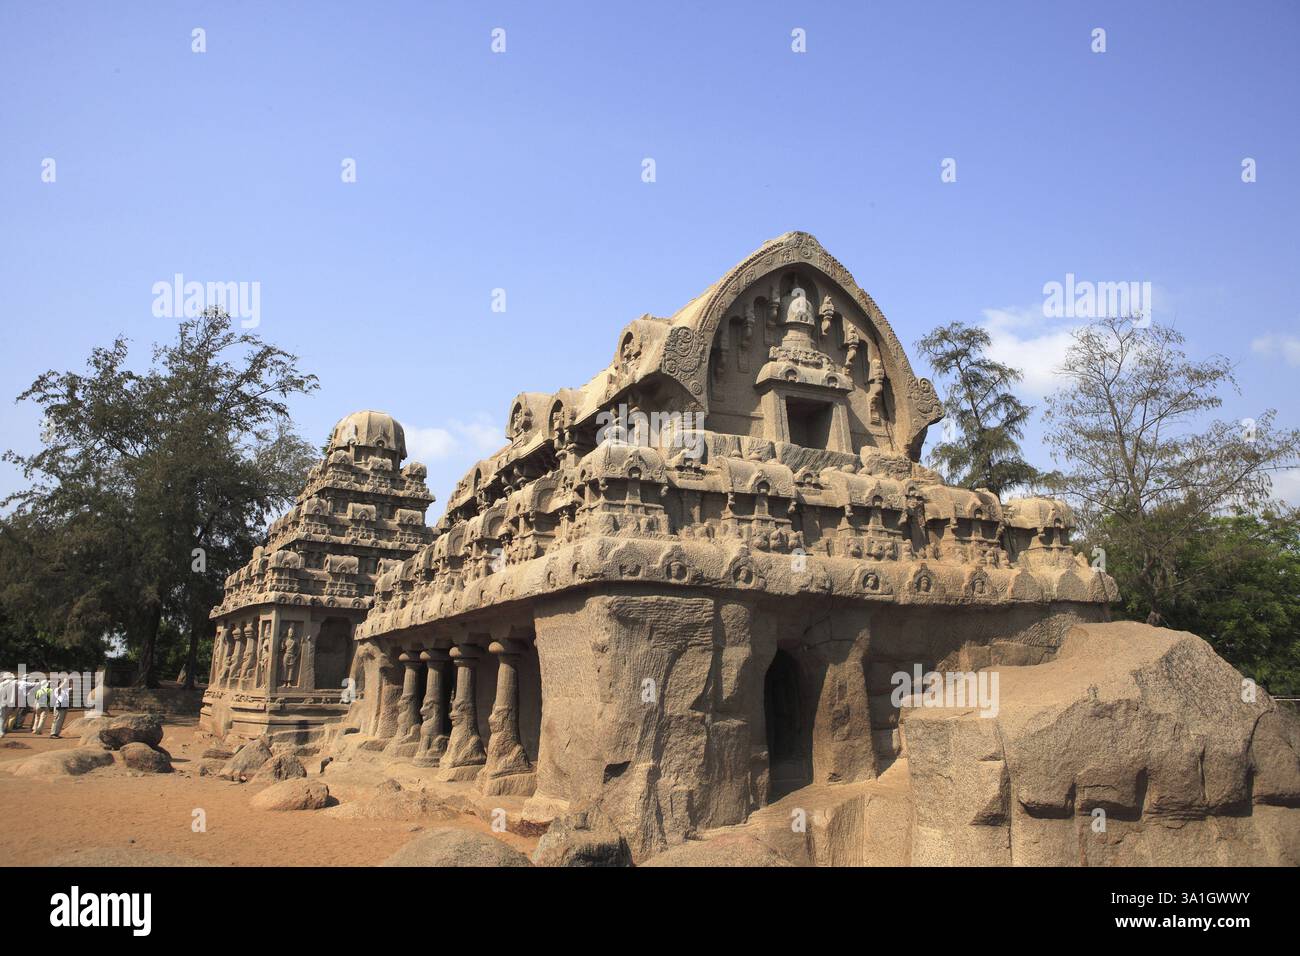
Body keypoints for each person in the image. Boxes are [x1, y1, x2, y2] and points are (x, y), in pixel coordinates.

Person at [0, 673, 14, 737]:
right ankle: (1, 731)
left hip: (2, 703)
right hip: (8, 703)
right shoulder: (13, 685)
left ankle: (1, 731)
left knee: (2, 718)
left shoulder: (1, 684)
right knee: (4, 718)